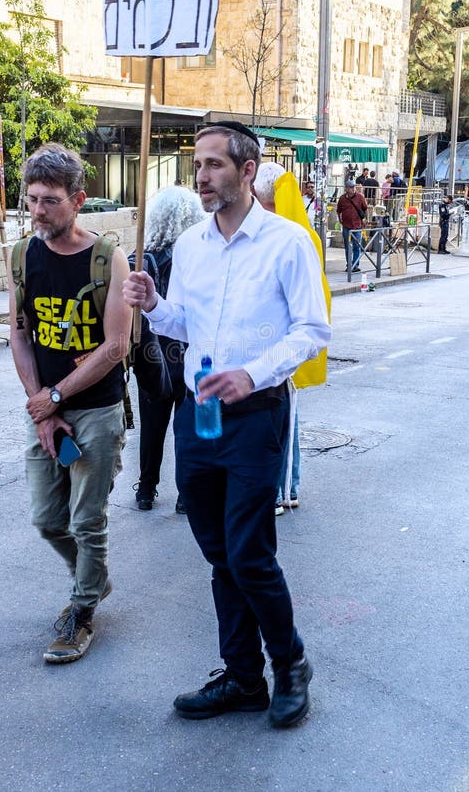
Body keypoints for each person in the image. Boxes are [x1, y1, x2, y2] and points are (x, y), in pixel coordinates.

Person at [123, 121, 331, 729]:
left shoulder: (288, 242)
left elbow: (313, 330)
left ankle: (290, 664)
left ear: (247, 170)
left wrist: (254, 374)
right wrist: (153, 304)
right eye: (198, 164)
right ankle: (243, 677)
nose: (202, 175)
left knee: (248, 553)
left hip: (256, 416)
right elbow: (184, 324)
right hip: (199, 416)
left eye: (214, 164)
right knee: (219, 553)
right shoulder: (191, 245)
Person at [8, 143, 132, 664]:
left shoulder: (108, 259)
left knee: (86, 521)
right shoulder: (22, 255)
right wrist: (43, 406)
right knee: (46, 518)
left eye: (50, 201)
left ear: (78, 201)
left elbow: (116, 347)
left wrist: (58, 396)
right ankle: (93, 577)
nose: (38, 210)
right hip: (48, 408)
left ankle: (81, 612)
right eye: (32, 198)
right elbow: (19, 334)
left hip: (97, 409)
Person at [252, 163, 332, 516]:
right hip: (280, 344)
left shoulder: (288, 236)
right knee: (285, 417)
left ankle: (282, 489)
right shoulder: (300, 231)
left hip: (280, 344)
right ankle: (287, 486)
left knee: (280, 419)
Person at [130, 185, 205, 513]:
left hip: (151, 353)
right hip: (186, 351)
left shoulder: (140, 258)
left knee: (152, 425)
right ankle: (185, 494)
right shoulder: (196, 257)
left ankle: (146, 489)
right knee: (186, 430)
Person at [336, 179, 368, 273]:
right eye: (351, 187)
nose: (353, 189)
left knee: (356, 246)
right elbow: (338, 210)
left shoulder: (360, 197)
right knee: (347, 246)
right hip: (346, 225)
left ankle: (355, 265)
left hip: (357, 225)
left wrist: (366, 219)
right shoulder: (342, 198)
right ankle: (349, 264)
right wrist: (340, 220)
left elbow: (365, 208)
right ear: (346, 188)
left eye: (354, 187)